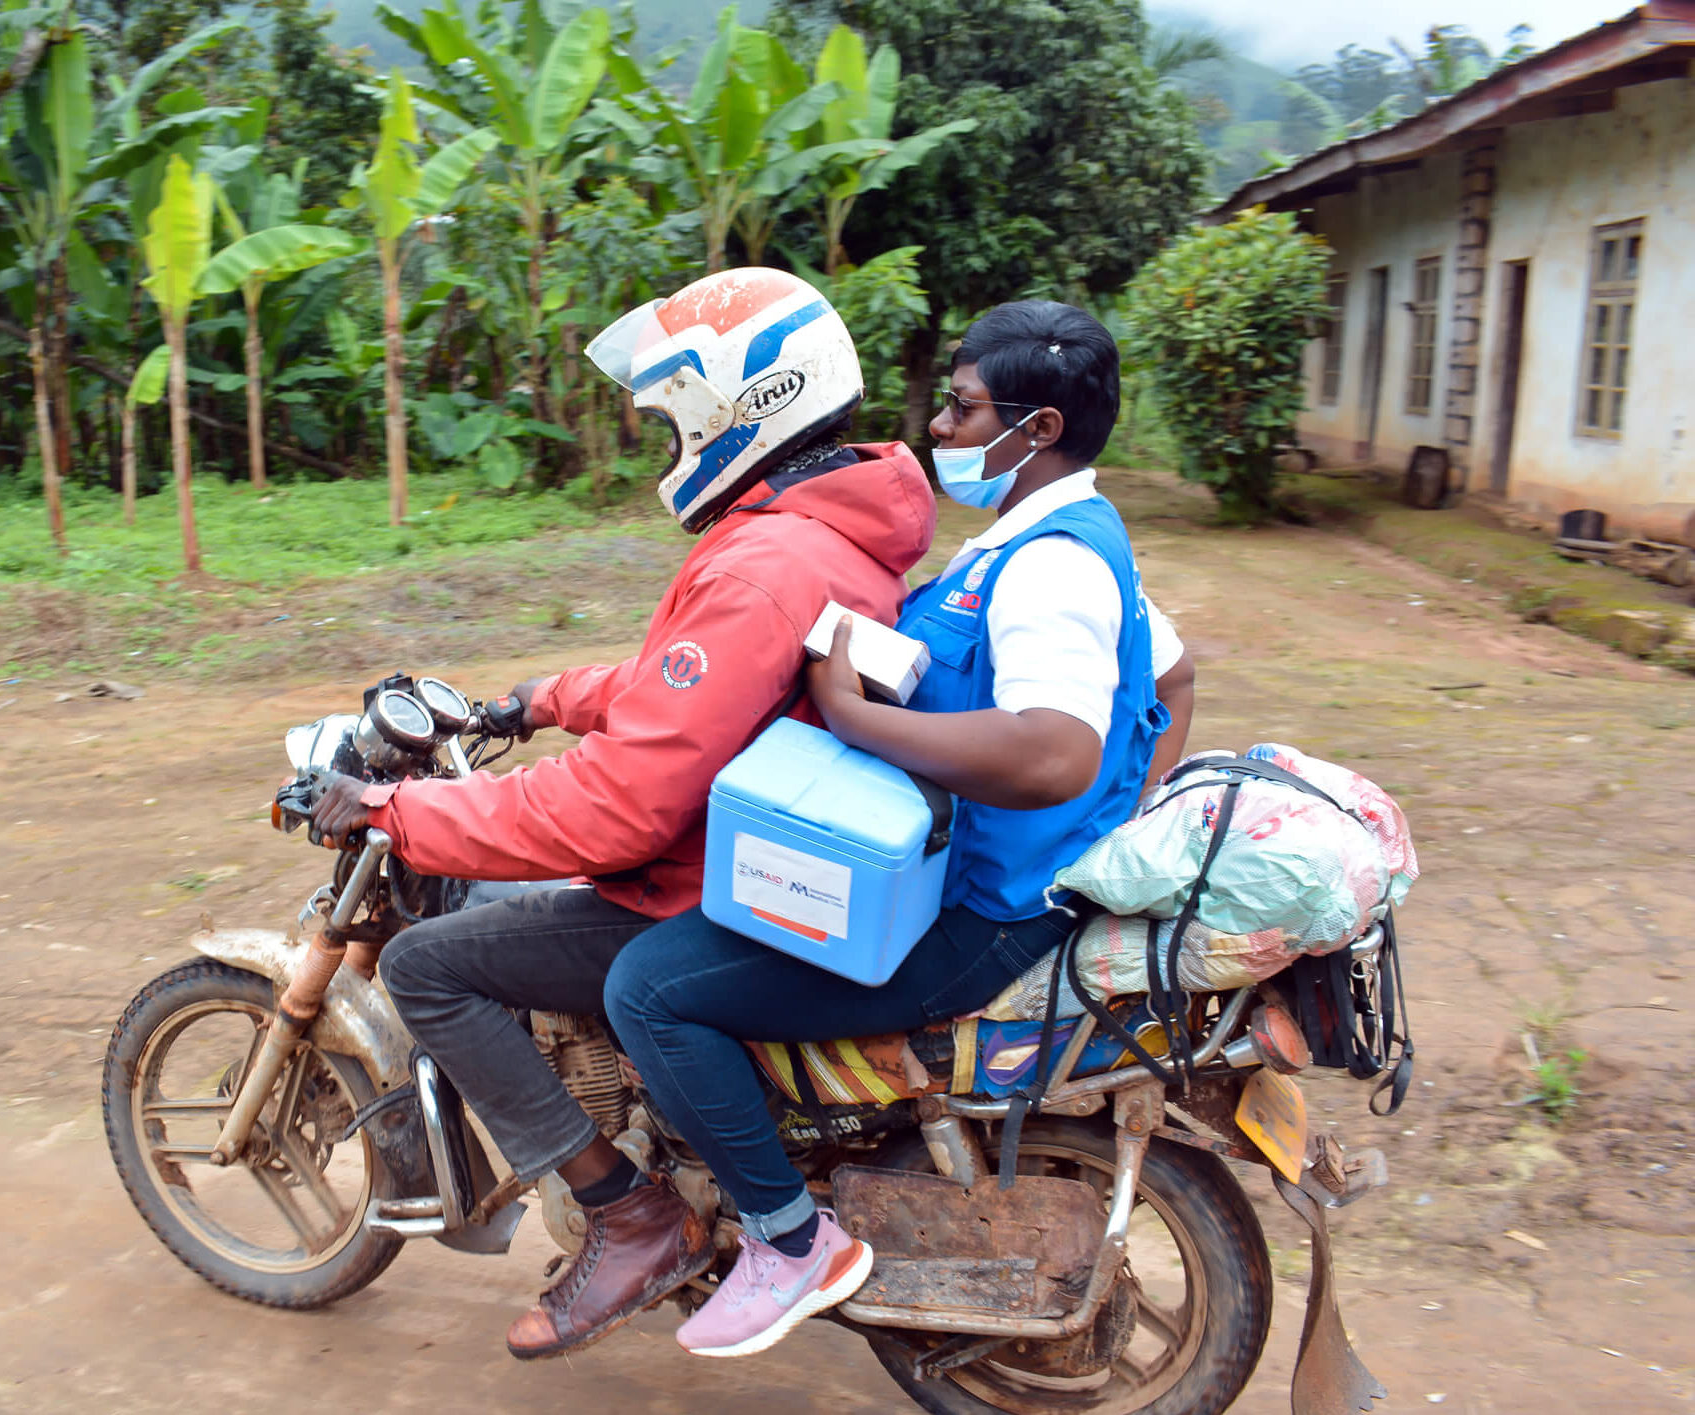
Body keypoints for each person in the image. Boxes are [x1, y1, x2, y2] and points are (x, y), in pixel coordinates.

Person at [310, 268, 937, 1360]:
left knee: (430, 967)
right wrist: (538, 699)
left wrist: (401, 811)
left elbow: (620, 806)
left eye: (671, 418)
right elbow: (691, 692)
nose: (664, 443)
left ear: (738, 407)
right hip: (755, 849)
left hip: (698, 884)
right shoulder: (820, 529)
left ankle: (631, 1214)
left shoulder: (761, 562)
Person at [603, 299, 1195, 1360]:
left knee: (648, 986)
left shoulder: (1049, 565)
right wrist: (1108, 833)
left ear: (1039, 428)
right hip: (995, 886)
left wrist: (856, 716)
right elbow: (1174, 675)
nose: (941, 429)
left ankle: (789, 1242)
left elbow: (1054, 747)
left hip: (977, 916)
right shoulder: (1054, 539)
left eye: (965, 409)